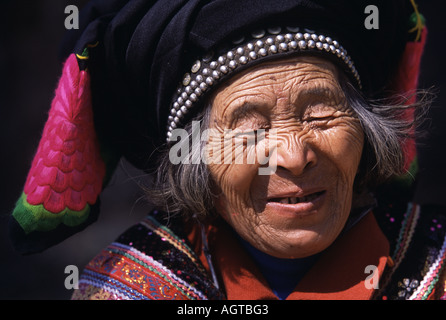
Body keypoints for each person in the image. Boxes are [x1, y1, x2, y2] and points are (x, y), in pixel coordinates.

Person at [9, 0, 446, 300]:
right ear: (196, 160)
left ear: (365, 130)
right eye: (251, 130)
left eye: (319, 114)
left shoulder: (435, 262)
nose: (294, 156)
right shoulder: (123, 287)